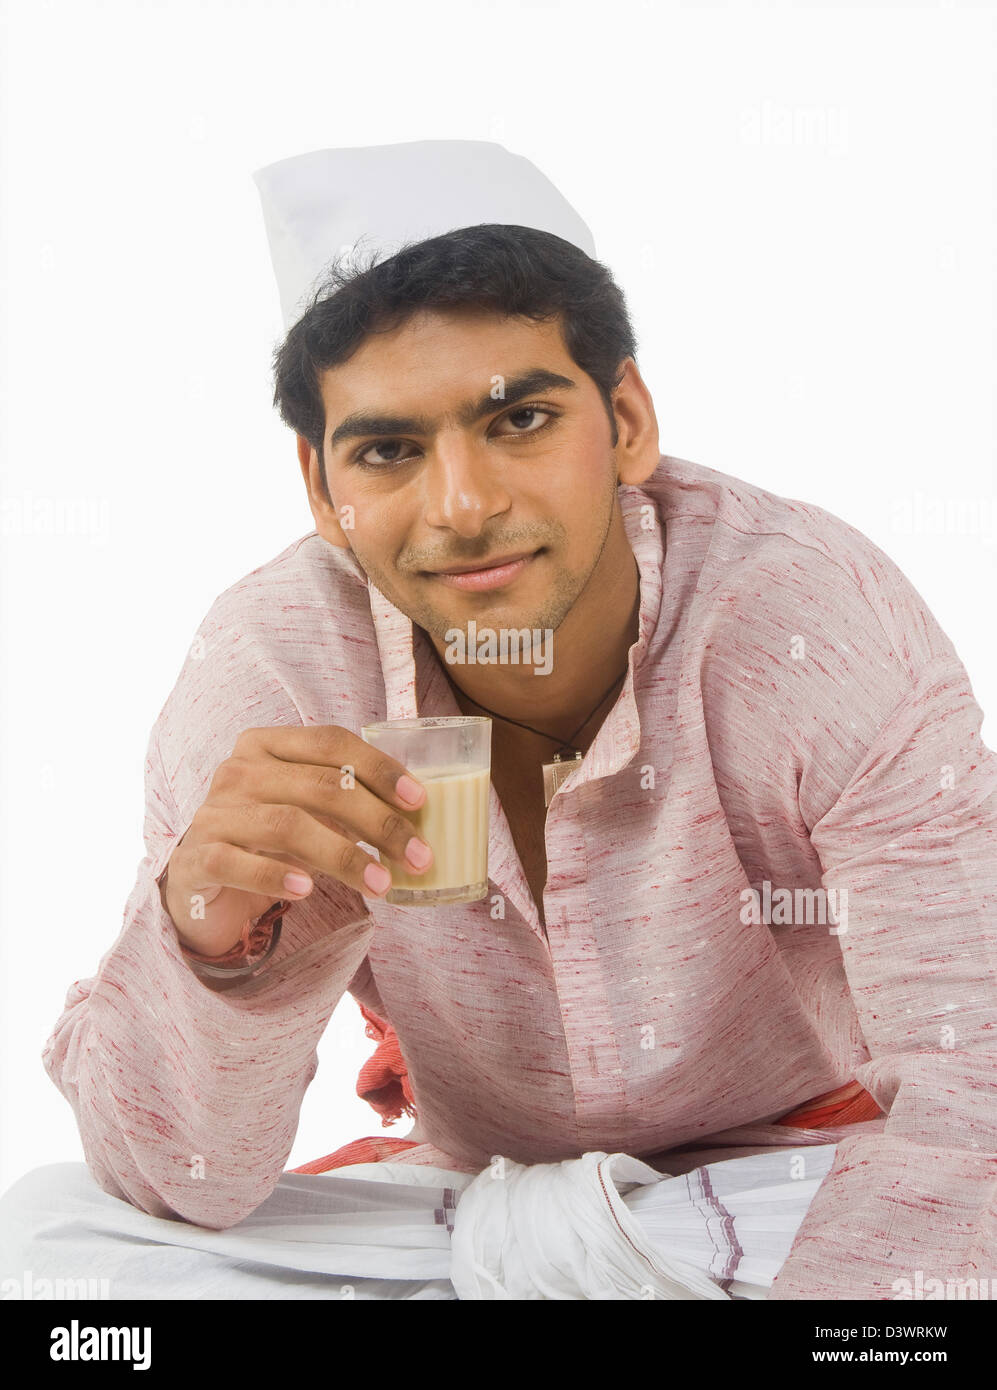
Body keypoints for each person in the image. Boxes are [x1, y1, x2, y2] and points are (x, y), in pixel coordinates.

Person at [2, 142, 994, 1301]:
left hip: (786, 1185)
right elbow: (172, 1179)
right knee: (47, 1246)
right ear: (325, 490)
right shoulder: (273, 667)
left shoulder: (812, 620)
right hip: (469, 1201)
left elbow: (970, 1087)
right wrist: (212, 942)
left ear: (624, 421)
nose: (463, 507)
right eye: (389, 451)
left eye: (517, 420)